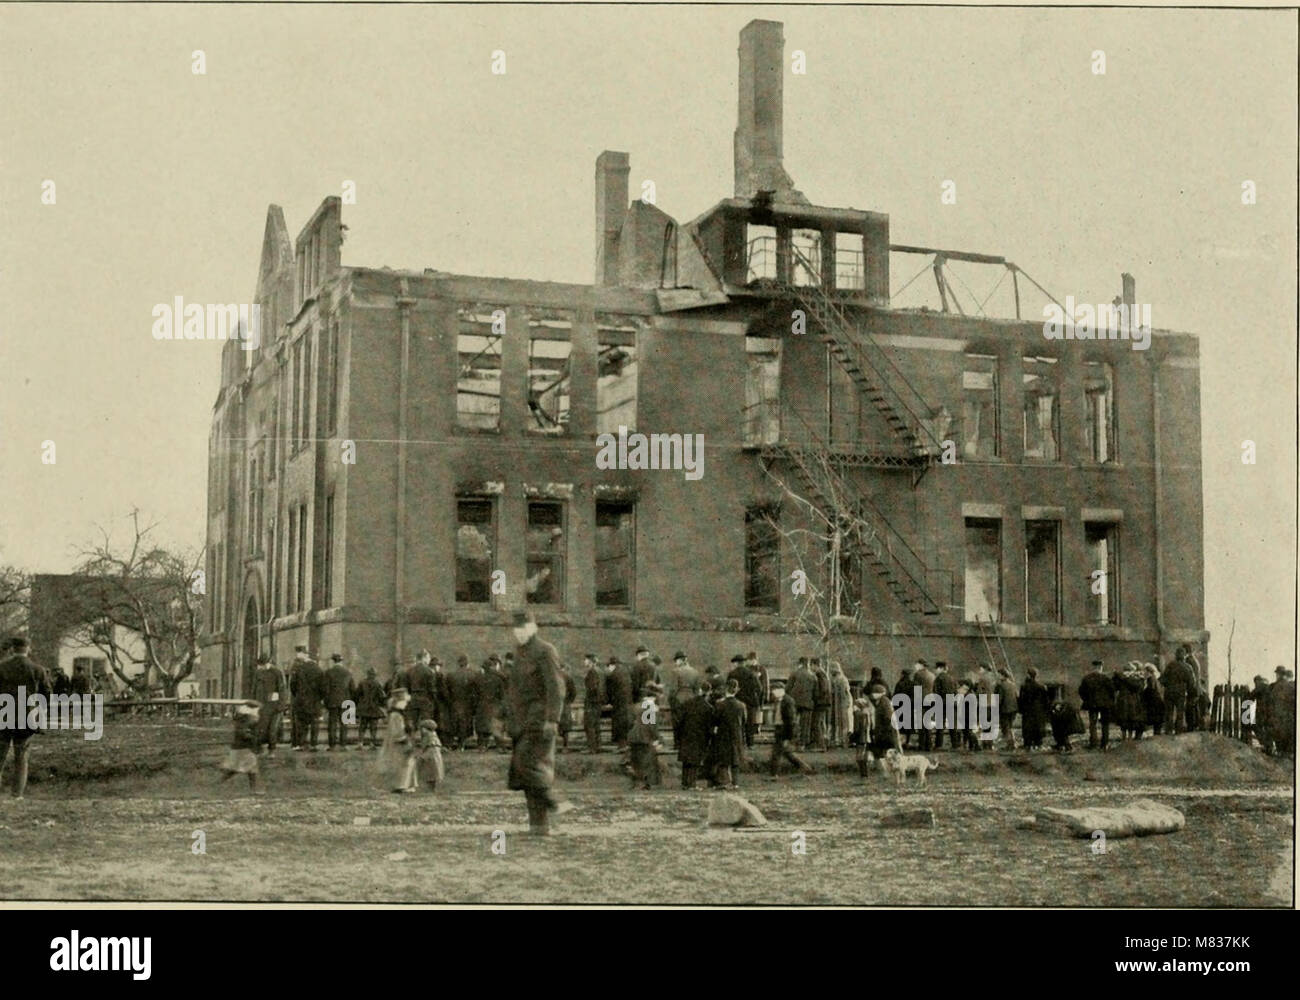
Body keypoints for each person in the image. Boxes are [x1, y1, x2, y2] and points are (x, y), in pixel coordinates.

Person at [506, 611, 572, 835]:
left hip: (540, 720)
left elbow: (556, 688)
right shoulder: (520, 653)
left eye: (522, 628)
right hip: (522, 721)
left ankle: (554, 800)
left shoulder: (545, 651)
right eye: (516, 630)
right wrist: (503, 717)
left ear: (533, 627)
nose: (518, 633)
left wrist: (552, 719)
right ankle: (539, 828)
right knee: (526, 775)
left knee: (526, 763)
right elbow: (513, 690)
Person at [0, 637, 51, 800]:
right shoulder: (38, 669)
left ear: (12, 649)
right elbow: (47, 694)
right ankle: (17, 795)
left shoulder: (2, 667)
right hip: (27, 717)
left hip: (4, 715)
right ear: (28, 648)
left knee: (0, 755)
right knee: (21, 757)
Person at [769, 680, 813, 777]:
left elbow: (790, 721)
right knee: (787, 753)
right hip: (779, 728)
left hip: (784, 729)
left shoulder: (788, 702)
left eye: (774, 690)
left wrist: (788, 737)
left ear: (780, 690)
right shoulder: (779, 701)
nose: (772, 692)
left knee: (776, 753)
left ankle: (774, 774)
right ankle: (804, 767)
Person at [675, 682, 713, 788]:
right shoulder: (708, 708)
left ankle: (684, 783)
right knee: (695, 761)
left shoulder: (687, 703)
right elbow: (709, 726)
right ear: (709, 692)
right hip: (699, 736)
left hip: (686, 734)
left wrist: (678, 736)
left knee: (686, 760)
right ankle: (692, 784)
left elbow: (679, 720)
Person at [380, 689, 418, 793]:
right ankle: (402, 785)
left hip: (401, 741)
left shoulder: (399, 714)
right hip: (399, 743)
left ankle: (406, 784)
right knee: (403, 763)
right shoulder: (396, 715)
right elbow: (397, 731)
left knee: (406, 763)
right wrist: (405, 740)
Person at [219, 702, 262, 793]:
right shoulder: (244, 724)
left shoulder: (244, 723)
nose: (257, 718)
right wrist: (251, 737)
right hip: (243, 749)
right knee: (252, 769)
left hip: (239, 749)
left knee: (235, 769)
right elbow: (243, 734)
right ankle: (255, 789)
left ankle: (219, 782)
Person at [251, 652, 289, 756]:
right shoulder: (258, 673)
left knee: (273, 729)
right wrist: (254, 703)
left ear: (269, 662)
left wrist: (281, 705)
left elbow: (282, 689)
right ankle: (259, 749)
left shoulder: (277, 673)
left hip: (274, 706)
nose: (263, 666)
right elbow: (254, 689)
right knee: (261, 728)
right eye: (261, 664)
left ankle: (271, 750)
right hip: (262, 705)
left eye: (264, 664)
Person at [712, 679, 747, 789]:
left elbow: (715, 720)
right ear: (736, 691)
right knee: (735, 759)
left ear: (726, 690)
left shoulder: (720, 704)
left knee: (724, 759)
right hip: (737, 733)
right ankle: (735, 782)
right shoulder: (741, 705)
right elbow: (744, 720)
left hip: (723, 734)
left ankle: (724, 781)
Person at [628, 682, 663, 789]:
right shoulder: (651, 708)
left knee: (636, 761)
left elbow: (629, 722)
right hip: (645, 738)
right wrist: (658, 739)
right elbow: (652, 726)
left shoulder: (636, 706)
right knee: (648, 762)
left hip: (634, 736)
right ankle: (648, 783)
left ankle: (636, 783)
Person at [290, 646, 325, 751]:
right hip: (315, 701)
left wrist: (297, 695)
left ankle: (302, 743)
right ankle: (314, 744)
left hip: (301, 700)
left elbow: (293, 685)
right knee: (315, 723)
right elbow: (323, 687)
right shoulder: (319, 670)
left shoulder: (299, 669)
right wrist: (320, 697)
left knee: (301, 723)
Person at [727, 654, 763, 748]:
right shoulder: (751, 674)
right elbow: (759, 688)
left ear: (736, 663)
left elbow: (728, 688)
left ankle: (739, 743)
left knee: (738, 722)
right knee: (749, 722)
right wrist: (755, 697)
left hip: (736, 701)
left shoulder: (732, 674)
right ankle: (750, 743)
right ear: (743, 663)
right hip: (749, 702)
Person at [1078, 660, 1114, 750]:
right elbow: (1112, 691)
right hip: (1105, 705)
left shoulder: (1087, 678)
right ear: (1101, 667)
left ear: (1093, 667)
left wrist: (1086, 700)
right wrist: (1110, 701)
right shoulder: (1106, 678)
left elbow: (1081, 691)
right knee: (1105, 724)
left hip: (1092, 704)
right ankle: (1104, 744)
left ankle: (1093, 743)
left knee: (1093, 723)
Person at [866, 681, 902, 766]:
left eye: (875, 693)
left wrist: (883, 729)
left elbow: (888, 718)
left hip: (887, 731)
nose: (872, 695)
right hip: (884, 731)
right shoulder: (880, 702)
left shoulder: (884, 702)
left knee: (888, 749)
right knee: (884, 750)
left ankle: (893, 766)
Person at [1161, 647, 1195, 735]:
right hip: (1181, 692)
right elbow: (1191, 683)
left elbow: (1162, 679)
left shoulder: (1170, 665)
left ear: (1176, 655)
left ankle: (1168, 731)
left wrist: (1168, 685)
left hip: (1169, 692)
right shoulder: (1188, 667)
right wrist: (1188, 690)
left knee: (1169, 712)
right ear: (1184, 656)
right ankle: (1178, 731)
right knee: (1180, 712)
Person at [323, 652, 353, 750]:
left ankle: (332, 745)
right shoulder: (348, 672)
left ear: (333, 661)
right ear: (341, 661)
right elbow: (352, 688)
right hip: (346, 701)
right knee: (344, 724)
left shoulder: (328, 672)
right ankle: (343, 745)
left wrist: (326, 701)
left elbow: (326, 689)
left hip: (332, 701)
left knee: (332, 724)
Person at [448, 655, 476, 750]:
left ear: (458, 663)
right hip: (467, 703)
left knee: (455, 722)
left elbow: (447, 690)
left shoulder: (452, 675)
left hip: (455, 702)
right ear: (467, 663)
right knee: (465, 723)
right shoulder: (472, 674)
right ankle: (461, 744)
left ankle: (452, 743)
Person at [354, 667, 387, 749]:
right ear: (375, 675)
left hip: (364, 708)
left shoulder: (362, 683)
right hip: (374, 708)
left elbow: (357, 695)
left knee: (362, 726)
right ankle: (372, 744)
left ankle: (360, 744)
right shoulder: (377, 683)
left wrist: (359, 703)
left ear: (367, 674)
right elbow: (382, 696)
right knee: (373, 727)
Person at [605, 656, 634, 751]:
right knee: (627, 723)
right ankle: (627, 744)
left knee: (619, 724)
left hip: (618, 703)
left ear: (612, 665)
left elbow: (609, 690)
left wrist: (608, 701)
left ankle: (622, 745)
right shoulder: (627, 672)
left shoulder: (612, 674)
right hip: (628, 702)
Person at [1018, 668, 1050, 750]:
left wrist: (1021, 710)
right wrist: (1045, 711)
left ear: (1028, 675)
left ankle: (1027, 744)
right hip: (1038, 711)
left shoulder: (1024, 687)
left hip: (1027, 711)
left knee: (1027, 728)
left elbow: (1021, 699)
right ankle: (1038, 743)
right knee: (1038, 728)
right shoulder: (1041, 687)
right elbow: (1046, 701)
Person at [789, 657, 817, 749]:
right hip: (808, 703)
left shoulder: (794, 674)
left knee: (794, 722)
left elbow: (788, 688)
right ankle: (802, 744)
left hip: (794, 702)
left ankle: (793, 742)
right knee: (805, 724)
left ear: (800, 663)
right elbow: (816, 692)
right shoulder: (813, 676)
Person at [932, 661, 959, 749]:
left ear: (940, 668)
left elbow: (935, 693)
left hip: (941, 704)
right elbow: (956, 692)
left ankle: (939, 744)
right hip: (951, 703)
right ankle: (955, 744)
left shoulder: (938, 679)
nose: (936, 671)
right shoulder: (952, 678)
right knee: (952, 725)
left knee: (940, 725)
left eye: (936, 669)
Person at [581, 653, 604, 753]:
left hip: (592, 701)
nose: (584, 662)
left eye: (585, 660)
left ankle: (591, 748)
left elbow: (593, 687)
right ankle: (598, 746)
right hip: (598, 701)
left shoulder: (592, 672)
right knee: (596, 725)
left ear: (590, 661)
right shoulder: (600, 671)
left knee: (589, 724)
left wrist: (589, 696)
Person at [1048, 685, 1081, 753]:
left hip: (1064, 722)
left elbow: (1060, 714)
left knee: (1062, 733)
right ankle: (1062, 745)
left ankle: (1067, 747)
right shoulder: (1065, 703)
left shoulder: (1062, 704)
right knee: (1060, 733)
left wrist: (1054, 712)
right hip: (1064, 721)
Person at [829, 662, 853, 748]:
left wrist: (847, 703)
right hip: (836, 704)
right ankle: (837, 740)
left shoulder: (842, 680)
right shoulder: (834, 679)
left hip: (841, 704)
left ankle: (842, 740)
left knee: (842, 722)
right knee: (836, 722)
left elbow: (846, 693)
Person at [416, 720, 445, 791]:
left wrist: (422, 757)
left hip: (431, 758)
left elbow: (430, 748)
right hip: (432, 758)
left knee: (431, 774)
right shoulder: (431, 736)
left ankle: (431, 789)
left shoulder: (430, 737)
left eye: (422, 729)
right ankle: (430, 788)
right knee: (430, 774)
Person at [995, 667, 1018, 750]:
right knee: (1010, 727)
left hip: (1004, 709)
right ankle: (1013, 743)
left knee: (1005, 728)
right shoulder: (1012, 684)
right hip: (1013, 709)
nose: (997, 676)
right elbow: (1016, 696)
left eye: (998, 675)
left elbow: (999, 699)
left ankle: (1010, 745)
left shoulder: (1000, 685)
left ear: (1002, 675)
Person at [811, 658, 832, 751]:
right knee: (820, 723)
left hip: (821, 703)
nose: (811, 668)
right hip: (824, 703)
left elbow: (823, 689)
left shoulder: (819, 674)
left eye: (812, 666)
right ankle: (822, 743)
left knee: (816, 724)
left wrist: (816, 697)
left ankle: (820, 745)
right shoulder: (823, 674)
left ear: (815, 665)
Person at [1142, 663, 1166, 737]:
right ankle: (1157, 734)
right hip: (1157, 701)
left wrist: (1143, 693)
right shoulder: (1155, 678)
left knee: (1156, 719)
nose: (1144, 673)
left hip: (1154, 702)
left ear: (1148, 671)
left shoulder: (1150, 679)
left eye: (1145, 671)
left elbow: (1150, 690)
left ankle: (1156, 735)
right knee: (1157, 721)